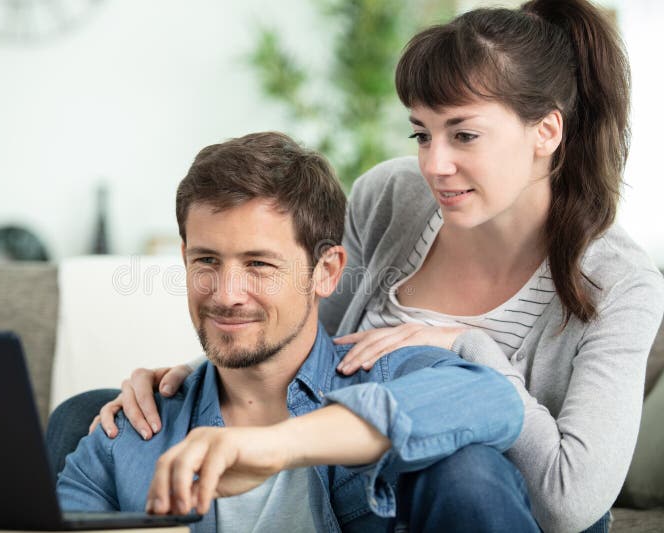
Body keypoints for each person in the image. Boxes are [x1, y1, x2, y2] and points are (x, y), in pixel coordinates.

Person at [92, 1, 664, 532]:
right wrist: (196, 377)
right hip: (367, 490)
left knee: (461, 468)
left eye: (463, 134)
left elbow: (569, 502)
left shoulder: (620, 281)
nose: (435, 164)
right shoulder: (392, 197)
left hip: (495, 505)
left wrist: (465, 344)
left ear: (546, 131)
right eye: (422, 133)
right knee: (92, 421)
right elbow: (305, 333)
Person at [56, 131, 538, 532]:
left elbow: (494, 399)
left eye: (259, 265)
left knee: (472, 469)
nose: (226, 294)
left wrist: (275, 446)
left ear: (326, 272)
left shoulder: (383, 375)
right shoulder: (131, 434)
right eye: (206, 261)